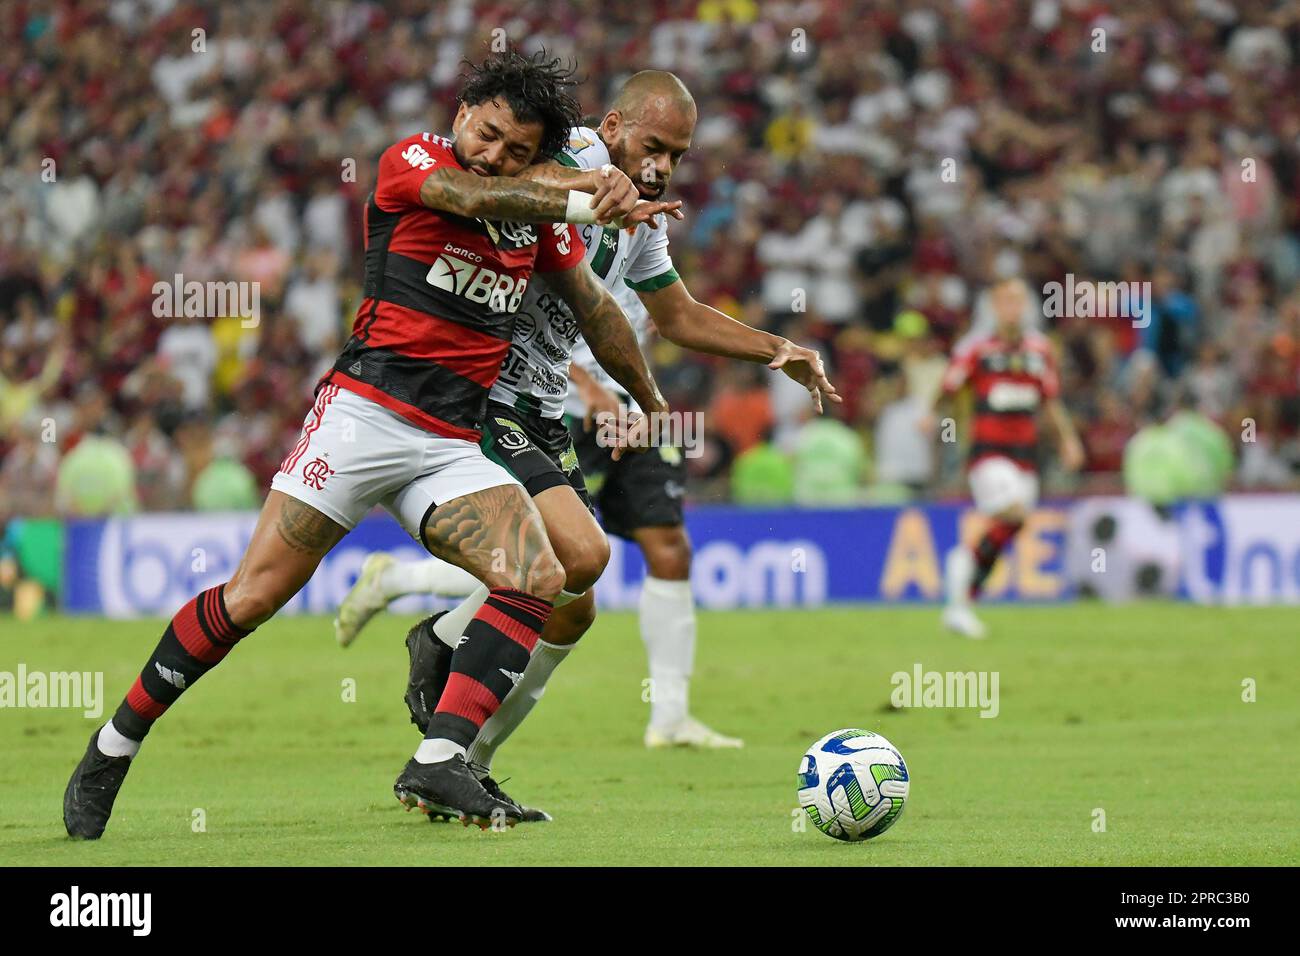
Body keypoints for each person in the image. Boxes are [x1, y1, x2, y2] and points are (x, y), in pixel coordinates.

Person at [62, 50, 681, 839]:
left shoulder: (545, 218)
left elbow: (596, 310)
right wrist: (582, 199)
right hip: (361, 420)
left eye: (516, 150)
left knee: (541, 574)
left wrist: (651, 396)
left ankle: (440, 761)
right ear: (462, 114)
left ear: (539, 154)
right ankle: (114, 744)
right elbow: (464, 191)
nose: (492, 153)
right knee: (250, 598)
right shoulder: (413, 160)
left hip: (451, 442)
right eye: (486, 133)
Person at [334, 71, 839, 817]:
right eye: (653, 145)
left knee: (574, 606)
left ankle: (461, 744)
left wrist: (776, 348)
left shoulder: (645, 222)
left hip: (545, 411)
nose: (663, 165)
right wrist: (591, 183)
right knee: (582, 556)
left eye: (679, 154)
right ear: (612, 125)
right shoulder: (561, 153)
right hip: (486, 392)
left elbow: (677, 315)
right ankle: (442, 721)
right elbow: (508, 179)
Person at [922, 277, 1083, 638]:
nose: (1013, 308)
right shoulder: (976, 350)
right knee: (1014, 513)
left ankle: (962, 599)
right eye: (1005, 301)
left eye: (1018, 300)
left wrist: (1068, 441)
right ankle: (960, 572)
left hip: (1026, 457)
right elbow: (949, 386)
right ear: (994, 307)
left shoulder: (1040, 351)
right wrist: (931, 414)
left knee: (1012, 526)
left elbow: (1050, 402)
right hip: (988, 454)